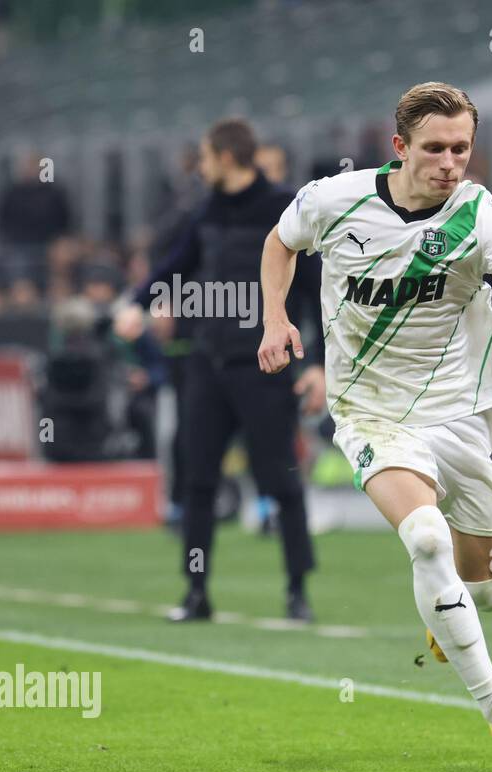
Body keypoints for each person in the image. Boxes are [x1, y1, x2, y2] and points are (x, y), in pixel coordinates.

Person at [258, 82, 492, 756]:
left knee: (489, 589)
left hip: (462, 413)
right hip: (370, 411)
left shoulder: (478, 214)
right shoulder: (336, 198)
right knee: (424, 539)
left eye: (462, 149)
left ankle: (446, 615)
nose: (450, 162)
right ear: (400, 149)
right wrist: (275, 316)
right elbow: (280, 240)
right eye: (435, 149)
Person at [119, 118, 325, 623]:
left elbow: (316, 290)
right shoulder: (206, 209)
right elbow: (176, 264)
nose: (202, 167)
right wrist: (137, 301)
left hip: (267, 365)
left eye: (207, 158)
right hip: (208, 364)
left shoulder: (284, 206)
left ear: (227, 157)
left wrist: (317, 364)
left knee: (279, 478)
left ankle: (297, 591)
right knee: (198, 480)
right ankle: (196, 593)